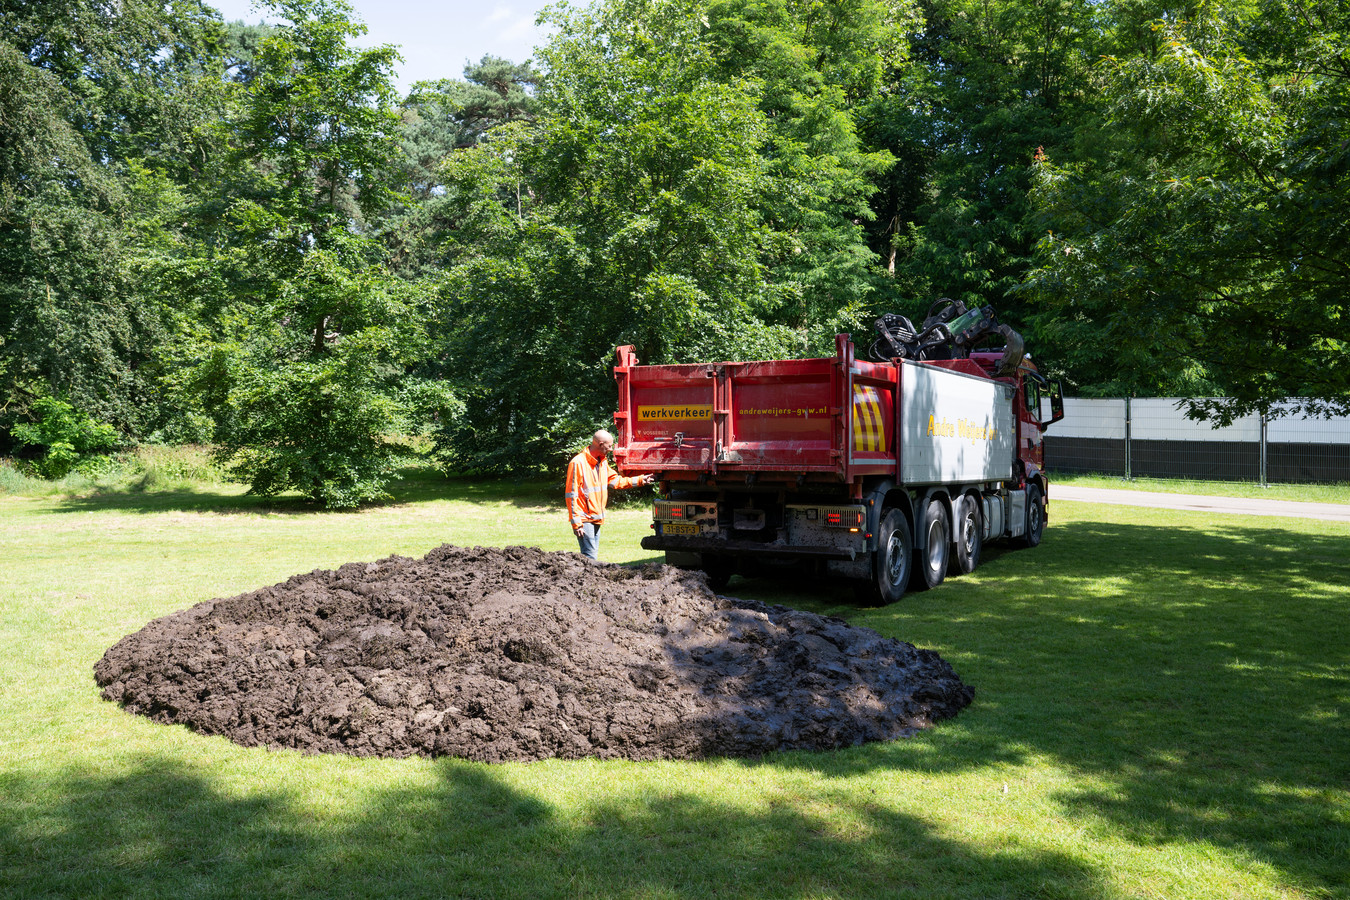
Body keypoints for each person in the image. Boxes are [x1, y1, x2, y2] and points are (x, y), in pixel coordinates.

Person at [565, 429, 653, 560]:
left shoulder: (602, 462)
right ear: (601, 444)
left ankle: (587, 579)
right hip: (585, 519)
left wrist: (641, 480)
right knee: (590, 556)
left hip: (596, 518)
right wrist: (577, 523)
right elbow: (571, 495)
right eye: (609, 446)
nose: (611, 449)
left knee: (590, 556)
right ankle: (588, 580)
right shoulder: (578, 463)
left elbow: (616, 481)